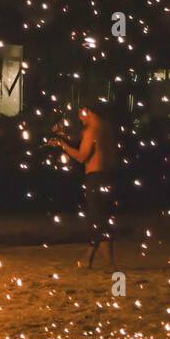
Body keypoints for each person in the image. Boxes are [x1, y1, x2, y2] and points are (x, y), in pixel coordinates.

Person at [49, 105, 119, 268]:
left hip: (95, 178)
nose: (80, 119)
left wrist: (62, 145)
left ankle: (99, 259)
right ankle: (97, 260)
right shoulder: (107, 127)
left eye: (80, 114)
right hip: (109, 177)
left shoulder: (91, 129)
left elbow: (81, 156)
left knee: (97, 219)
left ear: (87, 111)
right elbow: (85, 143)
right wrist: (63, 136)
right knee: (104, 217)